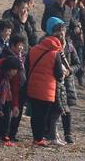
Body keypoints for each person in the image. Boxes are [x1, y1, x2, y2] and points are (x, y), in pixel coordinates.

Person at [26, 18, 63, 146]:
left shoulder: (34, 49)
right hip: (47, 89)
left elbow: (27, 66)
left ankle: (36, 137)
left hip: (32, 86)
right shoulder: (55, 54)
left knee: (35, 114)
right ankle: (39, 138)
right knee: (43, 115)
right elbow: (59, 74)